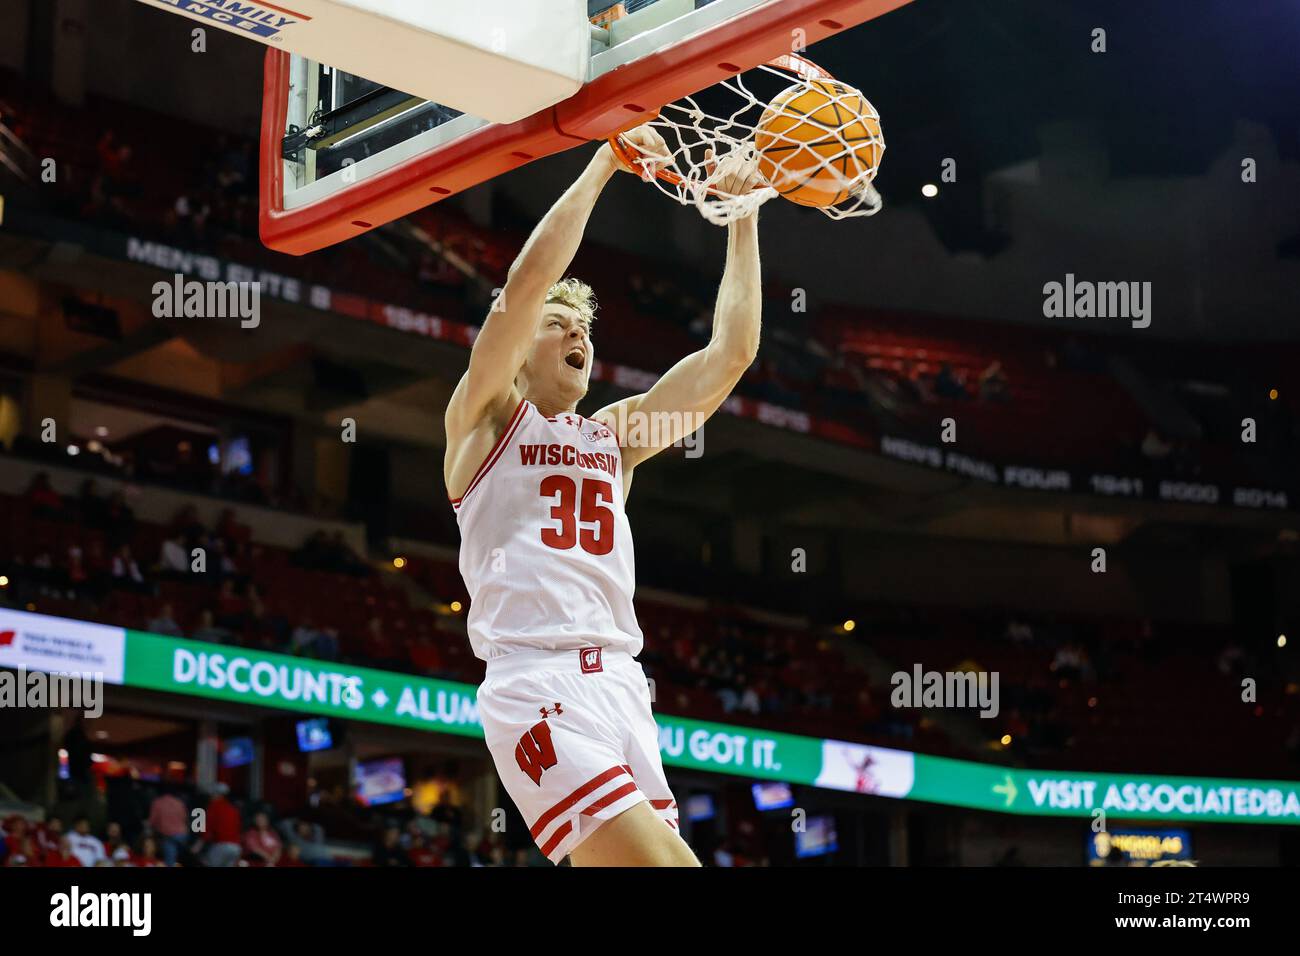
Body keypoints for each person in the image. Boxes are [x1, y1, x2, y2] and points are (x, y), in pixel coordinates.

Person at [442, 126, 761, 867]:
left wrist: (743, 217)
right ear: (521, 349)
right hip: (536, 683)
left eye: (584, 326)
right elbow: (523, 287)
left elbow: (730, 356)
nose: (576, 332)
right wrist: (604, 164)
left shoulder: (615, 438)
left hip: (622, 685)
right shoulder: (486, 420)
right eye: (557, 325)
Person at [201, 784, 243, 867]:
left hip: (222, 845)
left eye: (212, 794)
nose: (210, 797)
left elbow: (207, 828)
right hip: (236, 848)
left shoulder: (213, 806)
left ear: (217, 795)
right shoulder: (233, 808)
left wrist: (198, 845)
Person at [147, 787, 190, 865]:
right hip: (183, 835)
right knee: (180, 860)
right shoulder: (179, 803)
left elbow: (152, 821)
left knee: (170, 862)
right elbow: (185, 818)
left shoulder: (158, 802)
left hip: (169, 837)